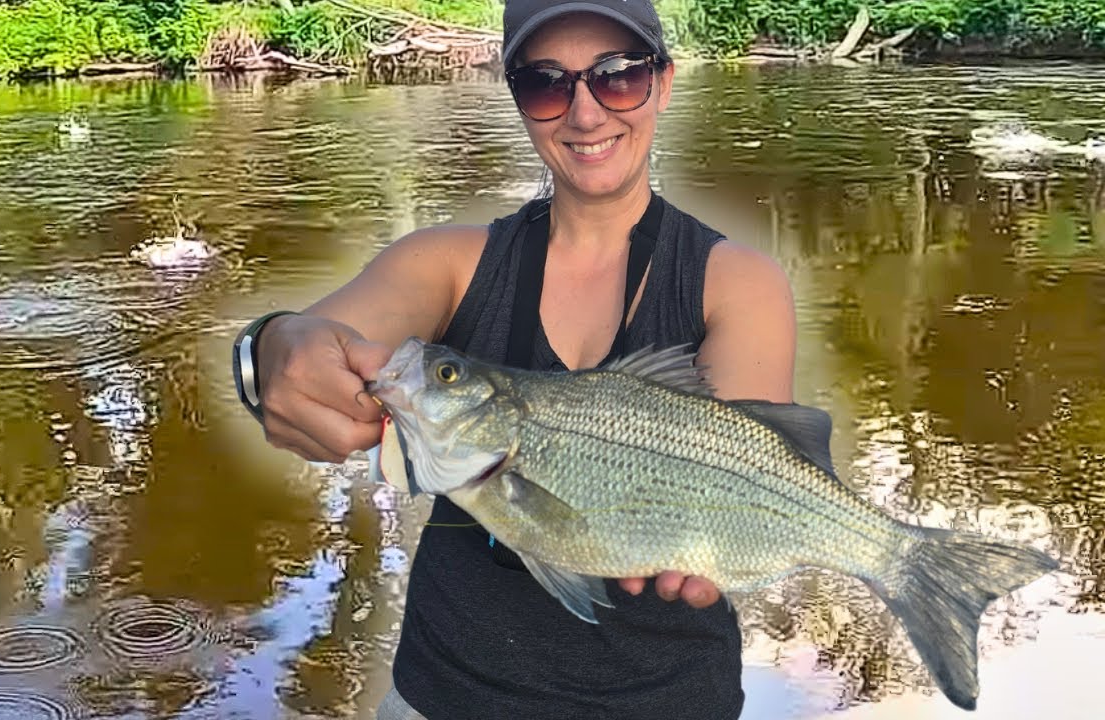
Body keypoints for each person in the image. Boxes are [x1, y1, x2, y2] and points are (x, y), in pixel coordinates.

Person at [234, 0, 796, 717]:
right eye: (546, 83)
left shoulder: (739, 282)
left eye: (618, 76)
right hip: (446, 694)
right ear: (519, 100)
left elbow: (753, 466)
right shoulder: (447, 262)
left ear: (664, 82)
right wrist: (271, 348)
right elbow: (310, 340)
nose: (586, 113)